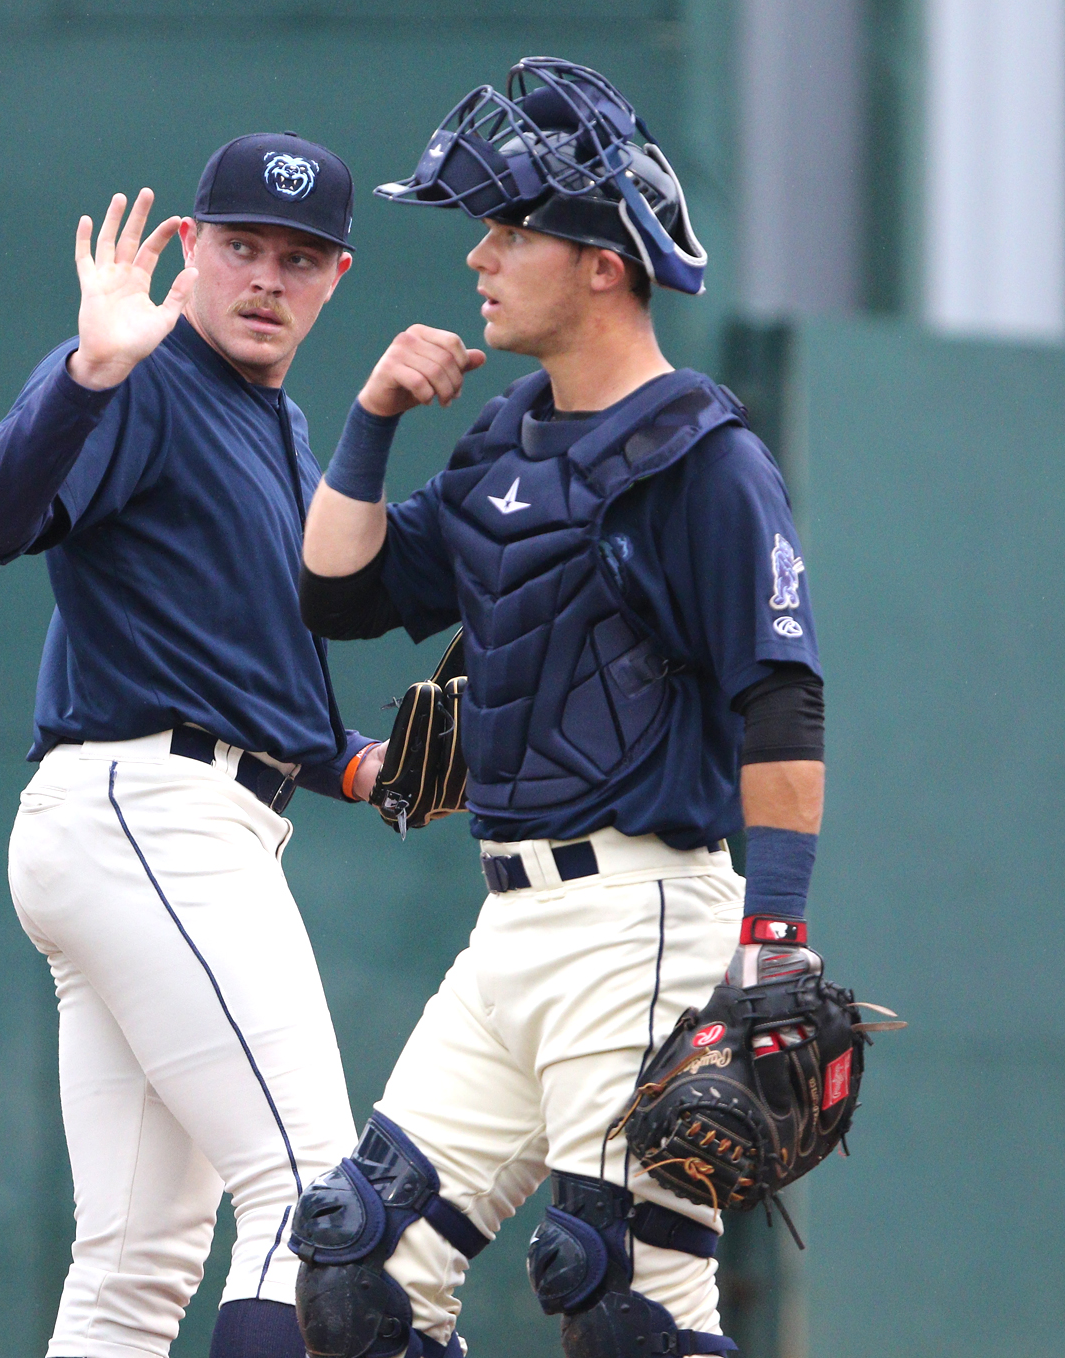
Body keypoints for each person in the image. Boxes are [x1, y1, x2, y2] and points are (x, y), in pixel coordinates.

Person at [290, 59, 825, 1358]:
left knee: (624, 1302)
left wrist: (776, 938)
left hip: (643, 912)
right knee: (358, 1269)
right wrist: (367, 419)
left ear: (602, 259)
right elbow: (339, 592)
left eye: (509, 227)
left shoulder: (698, 456)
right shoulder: (506, 441)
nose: (479, 255)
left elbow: (783, 694)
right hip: (511, 927)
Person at [0, 133, 376, 1358]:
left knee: (134, 1260)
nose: (264, 279)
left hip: (156, 816)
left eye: (296, 258)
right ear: (188, 248)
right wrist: (83, 368)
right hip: (152, 811)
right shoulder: (137, 374)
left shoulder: (275, 425)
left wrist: (352, 761)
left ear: (335, 276)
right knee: (315, 1198)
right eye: (240, 246)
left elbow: (233, 647)